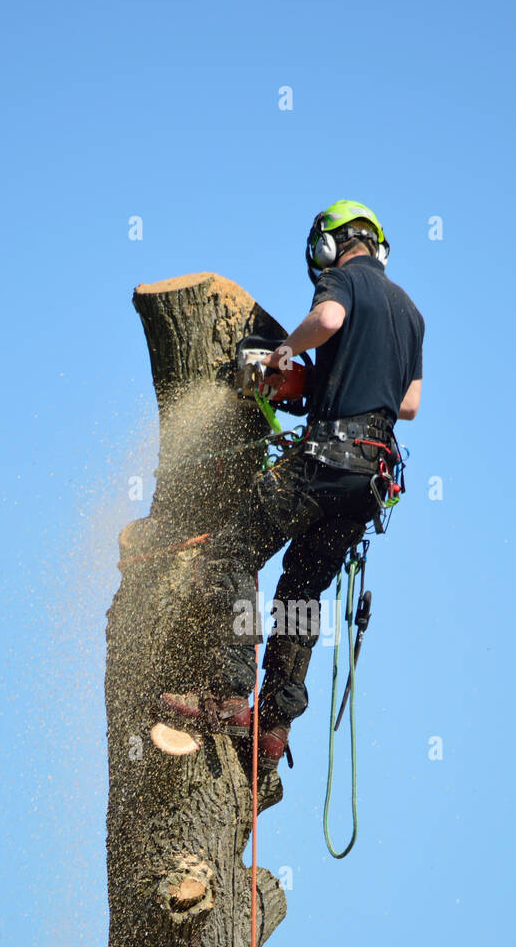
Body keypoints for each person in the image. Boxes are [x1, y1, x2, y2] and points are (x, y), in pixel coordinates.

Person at [162, 199, 425, 765]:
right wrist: (323, 382)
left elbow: (328, 321)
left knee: (232, 551)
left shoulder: (342, 280)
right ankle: (275, 724)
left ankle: (230, 692)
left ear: (330, 245)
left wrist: (287, 350)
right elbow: (409, 403)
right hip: (369, 482)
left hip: (324, 459)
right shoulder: (410, 311)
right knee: (302, 592)